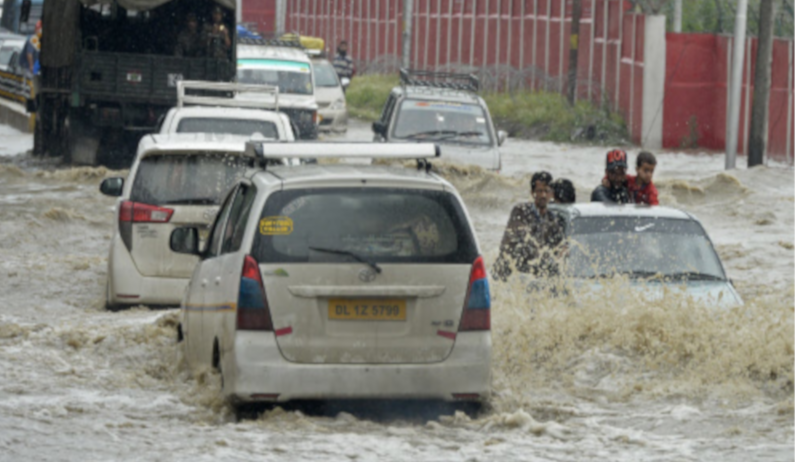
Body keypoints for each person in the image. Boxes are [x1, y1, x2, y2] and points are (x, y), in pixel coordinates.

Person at [492, 171, 566, 281]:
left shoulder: (552, 219)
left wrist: (562, 252)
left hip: (532, 273)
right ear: (532, 193)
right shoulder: (520, 211)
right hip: (507, 272)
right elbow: (524, 238)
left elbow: (561, 245)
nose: (543, 195)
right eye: (539, 191)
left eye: (546, 191)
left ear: (551, 194)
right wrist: (544, 255)